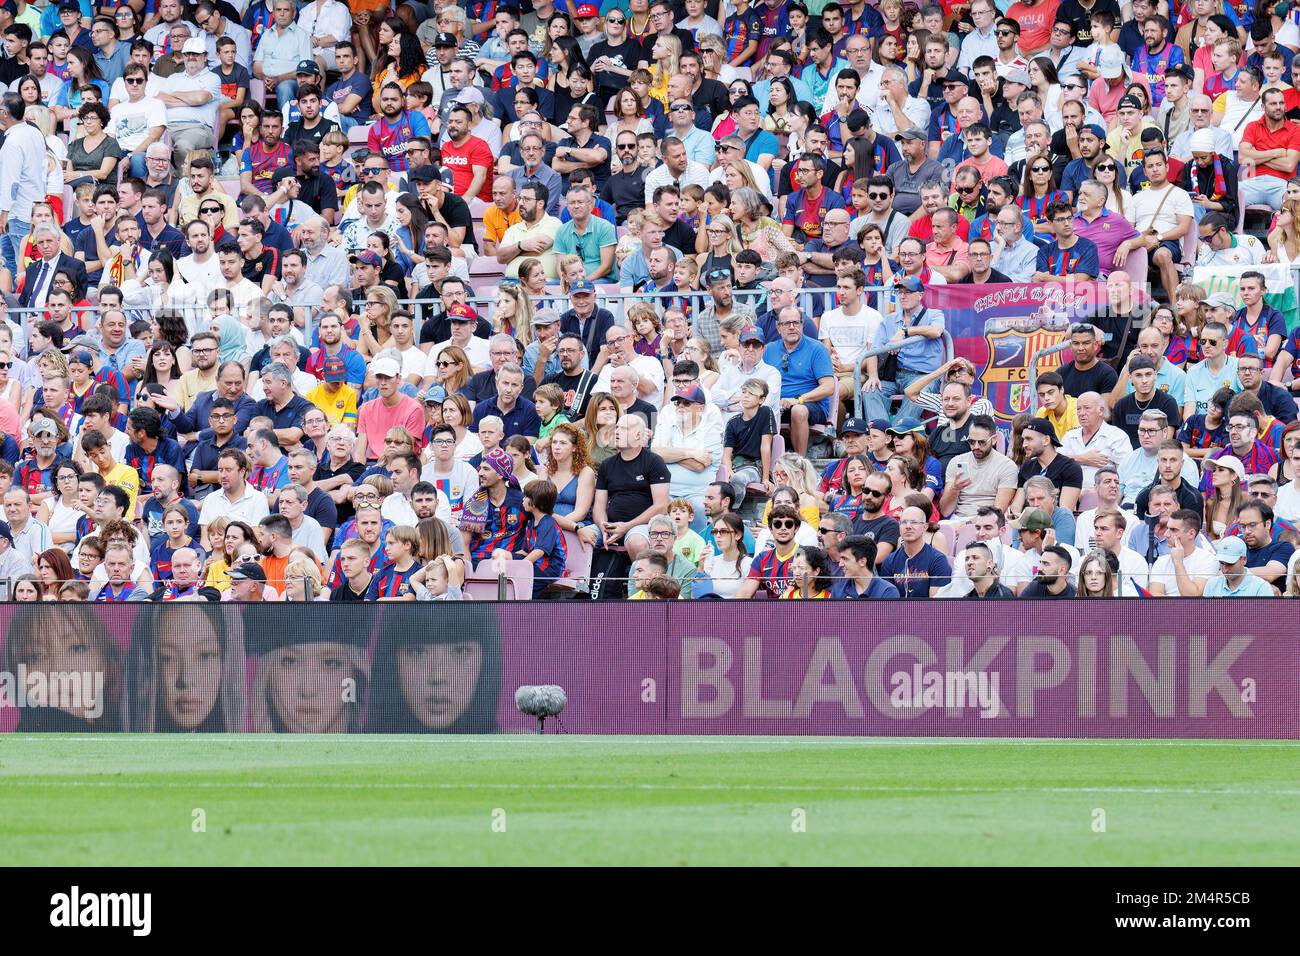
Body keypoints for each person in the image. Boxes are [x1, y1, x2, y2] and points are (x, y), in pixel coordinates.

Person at [1203, 535, 1275, 597]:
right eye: (1221, 563)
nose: (1225, 569)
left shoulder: (1261, 587)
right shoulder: (1211, 584)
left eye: (1230, 564)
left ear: (1244, 560)